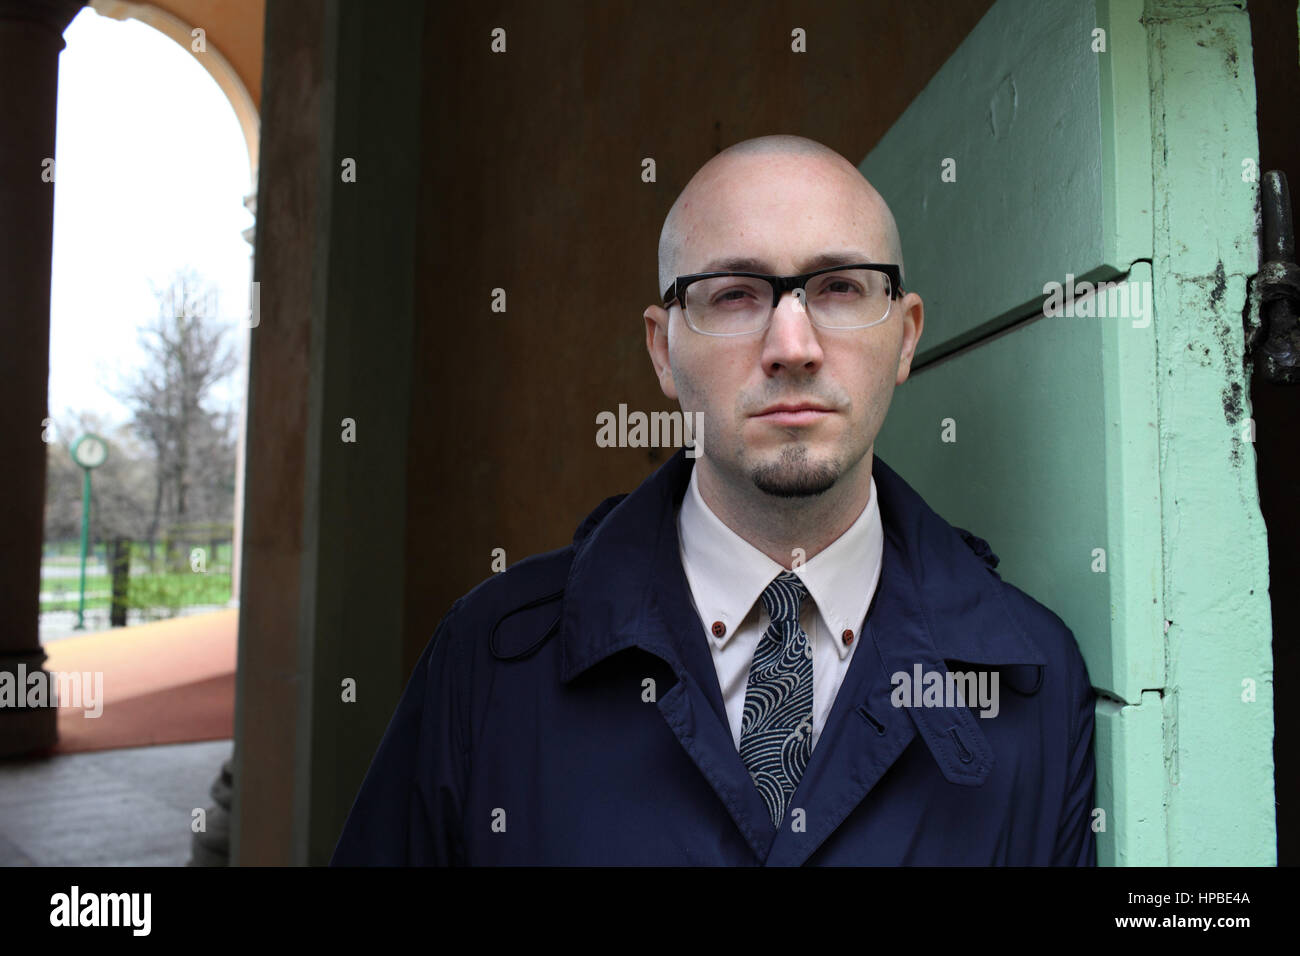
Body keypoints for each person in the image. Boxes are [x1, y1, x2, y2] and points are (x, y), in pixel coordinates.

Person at [330, 133, 1097, 866]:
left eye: (837, 288)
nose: (792, 345)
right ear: (663, 350)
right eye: (734, 294)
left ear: (905, 336)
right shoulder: (489, 663)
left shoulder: (1033, 681)